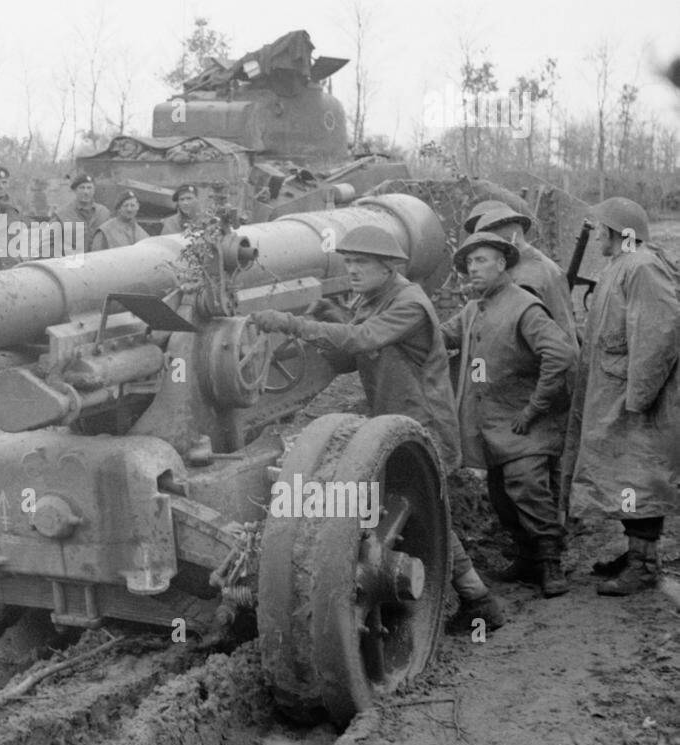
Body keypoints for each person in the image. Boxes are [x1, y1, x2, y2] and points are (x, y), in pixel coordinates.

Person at [242, 224, 505, 632]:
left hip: (424, 423)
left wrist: (293, 325)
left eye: (361, 263)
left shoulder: (409, 303)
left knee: (422, 507)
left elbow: (361, 341)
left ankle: (470, 599)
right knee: (420, 509)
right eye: (348, 262)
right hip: (395, 420)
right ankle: (471, 596)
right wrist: (328, 321)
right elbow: (352, 357)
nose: (352, 270)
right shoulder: (374, 299)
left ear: (387, 267)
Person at [440, 231, 576, 596]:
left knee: (529, 491)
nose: (474, 268)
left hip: (524, 426)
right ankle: (527, 559)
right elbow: (442, 337)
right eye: (469, 263)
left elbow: (560, 355)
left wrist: (535, 408)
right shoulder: (473, 309)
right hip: (491, 427)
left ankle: (551, 564)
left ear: (502, 264)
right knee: (501, 497)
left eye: (481, 260)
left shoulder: (523, 306)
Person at [565, 198, 680, 596]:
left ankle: (644, 566)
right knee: (624, 478)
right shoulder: (622, 265)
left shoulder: (643, 267)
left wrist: (639, 397)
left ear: (619, 232)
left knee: (640, 478)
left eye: (602, 229)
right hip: (615, 391)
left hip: (635, 399)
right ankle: (636, 554)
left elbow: (657, 332)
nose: (597, 235)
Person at [473, 206, 577, 342]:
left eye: (489, 247)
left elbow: (513, 338)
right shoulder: (544, 264)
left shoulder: (523, 280)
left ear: (510, 240)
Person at [50, 173, 109, 256]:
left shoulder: (104, 213)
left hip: (98, 263)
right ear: (74, 190)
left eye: (89, 188)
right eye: (82, 188)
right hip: (72, 264)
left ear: (94, 190)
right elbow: (48, 245)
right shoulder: (61, 215)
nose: (86, 192)